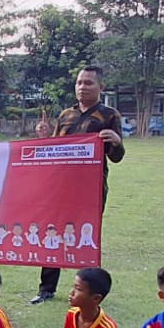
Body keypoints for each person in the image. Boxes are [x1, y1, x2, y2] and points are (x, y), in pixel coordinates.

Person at [31, 66, 126, 305]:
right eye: (80, 83)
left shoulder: (109, 115)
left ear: (100, 87)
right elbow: (52, 152)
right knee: (52, 232)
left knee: (86, 235)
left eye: (88, 83)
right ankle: (46, 289)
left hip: (91, 189)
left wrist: (116, 142)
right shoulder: (66, 116)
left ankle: (88, 290)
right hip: (61, 187)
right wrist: (43, 137)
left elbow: (116, 156)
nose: (82, 87)